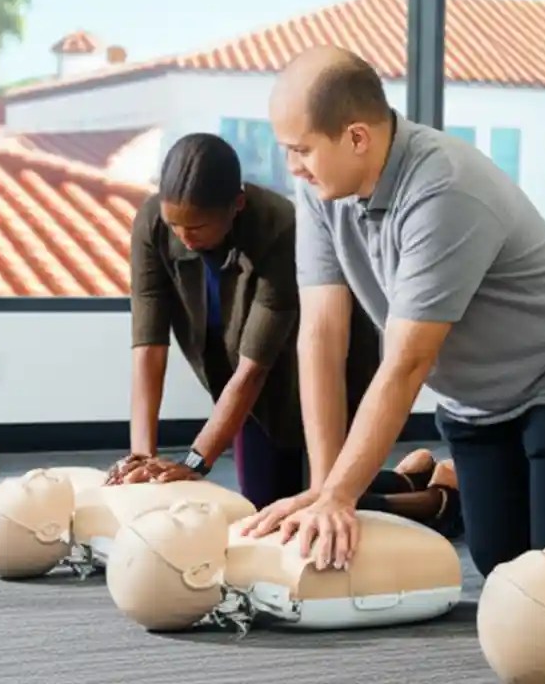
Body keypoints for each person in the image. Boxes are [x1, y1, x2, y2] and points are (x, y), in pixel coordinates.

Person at [238, 45, 545, 577]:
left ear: (357, 137)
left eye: (302, 150)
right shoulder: (320, 188)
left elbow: (406, 363)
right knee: (501, 561)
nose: (294, 166)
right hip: (476, 398)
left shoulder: (443, 189)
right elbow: (320, 334)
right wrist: (323, 485)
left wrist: (341, 495)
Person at [116, 132, 381, 510]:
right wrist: (141, 460)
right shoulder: (153, 221)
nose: (184, 237)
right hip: (246, 390)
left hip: (318, 370)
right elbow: (148, 347)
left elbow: (254, 368)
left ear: (236, 204)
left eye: (197, 228)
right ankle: (419, 480)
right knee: (265, 506)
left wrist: (194, 462)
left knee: (339, 500)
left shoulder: (280, 227)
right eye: (175, 225)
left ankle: (432, 497)